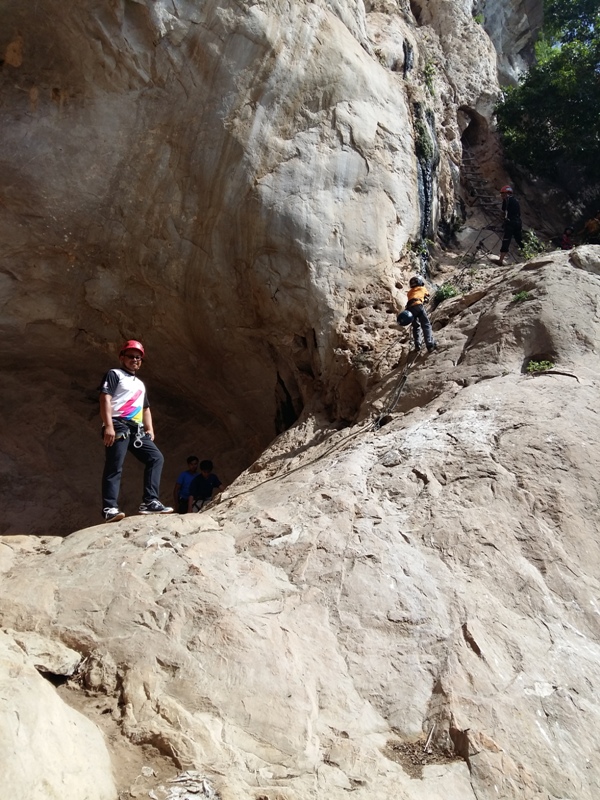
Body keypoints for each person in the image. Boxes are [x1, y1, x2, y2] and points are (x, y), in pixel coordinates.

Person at [100, 340, 173, 522]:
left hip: (136, 429)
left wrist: (149, 428)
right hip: (118, 424)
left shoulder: (140, 384)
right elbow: (105, 399)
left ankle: (150, 501)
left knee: (156, 457)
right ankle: (110, 508)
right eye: (131, 356)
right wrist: (108, 425)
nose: (135, 359)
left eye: (138, 357)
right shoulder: (114, 374)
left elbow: (146, 408)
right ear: (122, 357)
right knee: (114, 465)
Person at [405, 276, 436, 352]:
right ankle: (429, 344)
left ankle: (417, 344)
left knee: (416, 326)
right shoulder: (422, 288)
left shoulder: (409, 292)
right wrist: (424, 299)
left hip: (409, 308)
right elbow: (427, 295)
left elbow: (413, 297)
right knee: (426, 324)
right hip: (418, 305)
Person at [497, 186, 523, 265]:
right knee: (520, 240)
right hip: (518, 223)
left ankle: (500, 260)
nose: (501, 195)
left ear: (506, 193)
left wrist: (503, 219)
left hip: (511, 223)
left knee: (506, 241)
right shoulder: (516, 200)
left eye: (502, 193)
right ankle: (530, 256)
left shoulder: (507, 200)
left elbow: (504, 211)